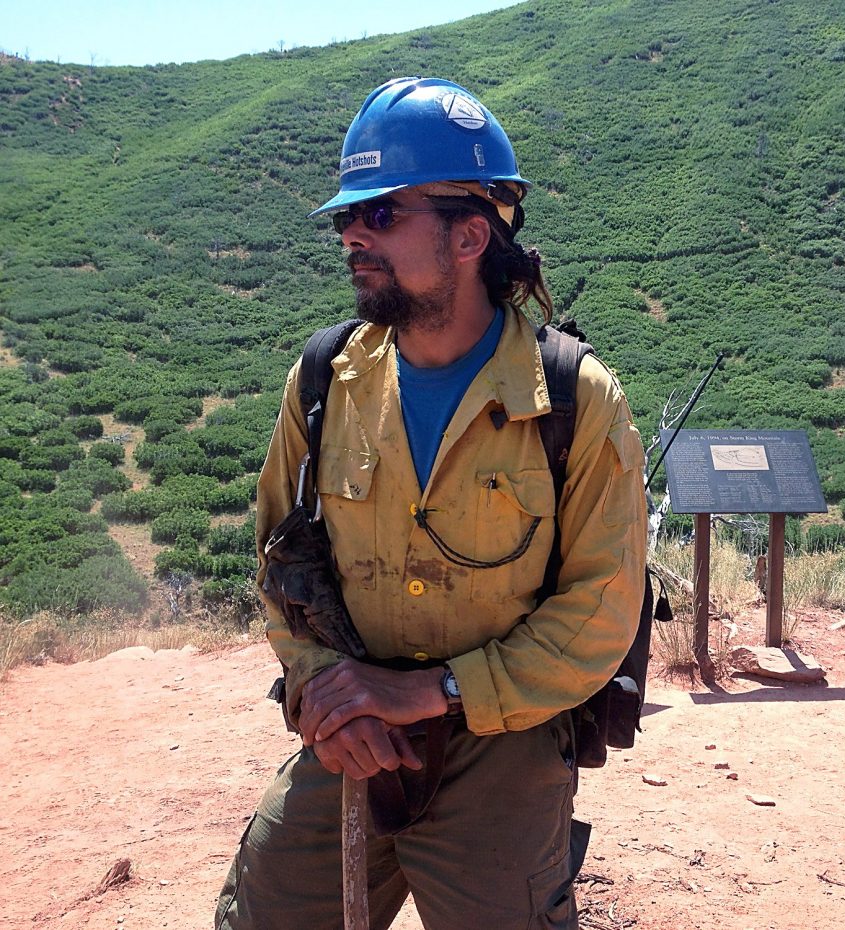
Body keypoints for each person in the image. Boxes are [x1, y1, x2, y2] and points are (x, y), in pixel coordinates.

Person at [215, 76, 647, 930]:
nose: (351, 236)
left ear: (469, 235)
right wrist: (320, 693)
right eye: (347, 217)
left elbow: (600, 613)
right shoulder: (322, 383)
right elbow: (282, 565)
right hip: (352, 727)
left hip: (502, 742)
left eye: (380, 215)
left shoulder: (572, 399)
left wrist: (433, 694)